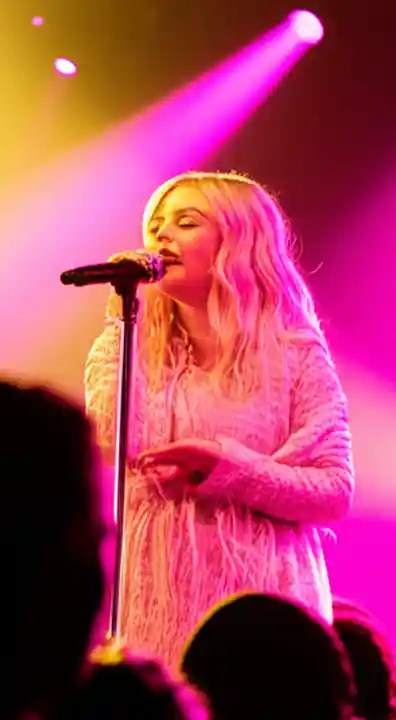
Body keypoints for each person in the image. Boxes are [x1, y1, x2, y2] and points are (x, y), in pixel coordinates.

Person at [83, 170, 355, 668]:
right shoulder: (124, 346)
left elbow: (334, 490)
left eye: (186, 222)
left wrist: (229, 470)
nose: (161, 236)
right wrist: (123, 319)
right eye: (155, 225)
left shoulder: (295, 354)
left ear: (239, 242)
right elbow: (110, 449)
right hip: (152, 603)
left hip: (259, 606)